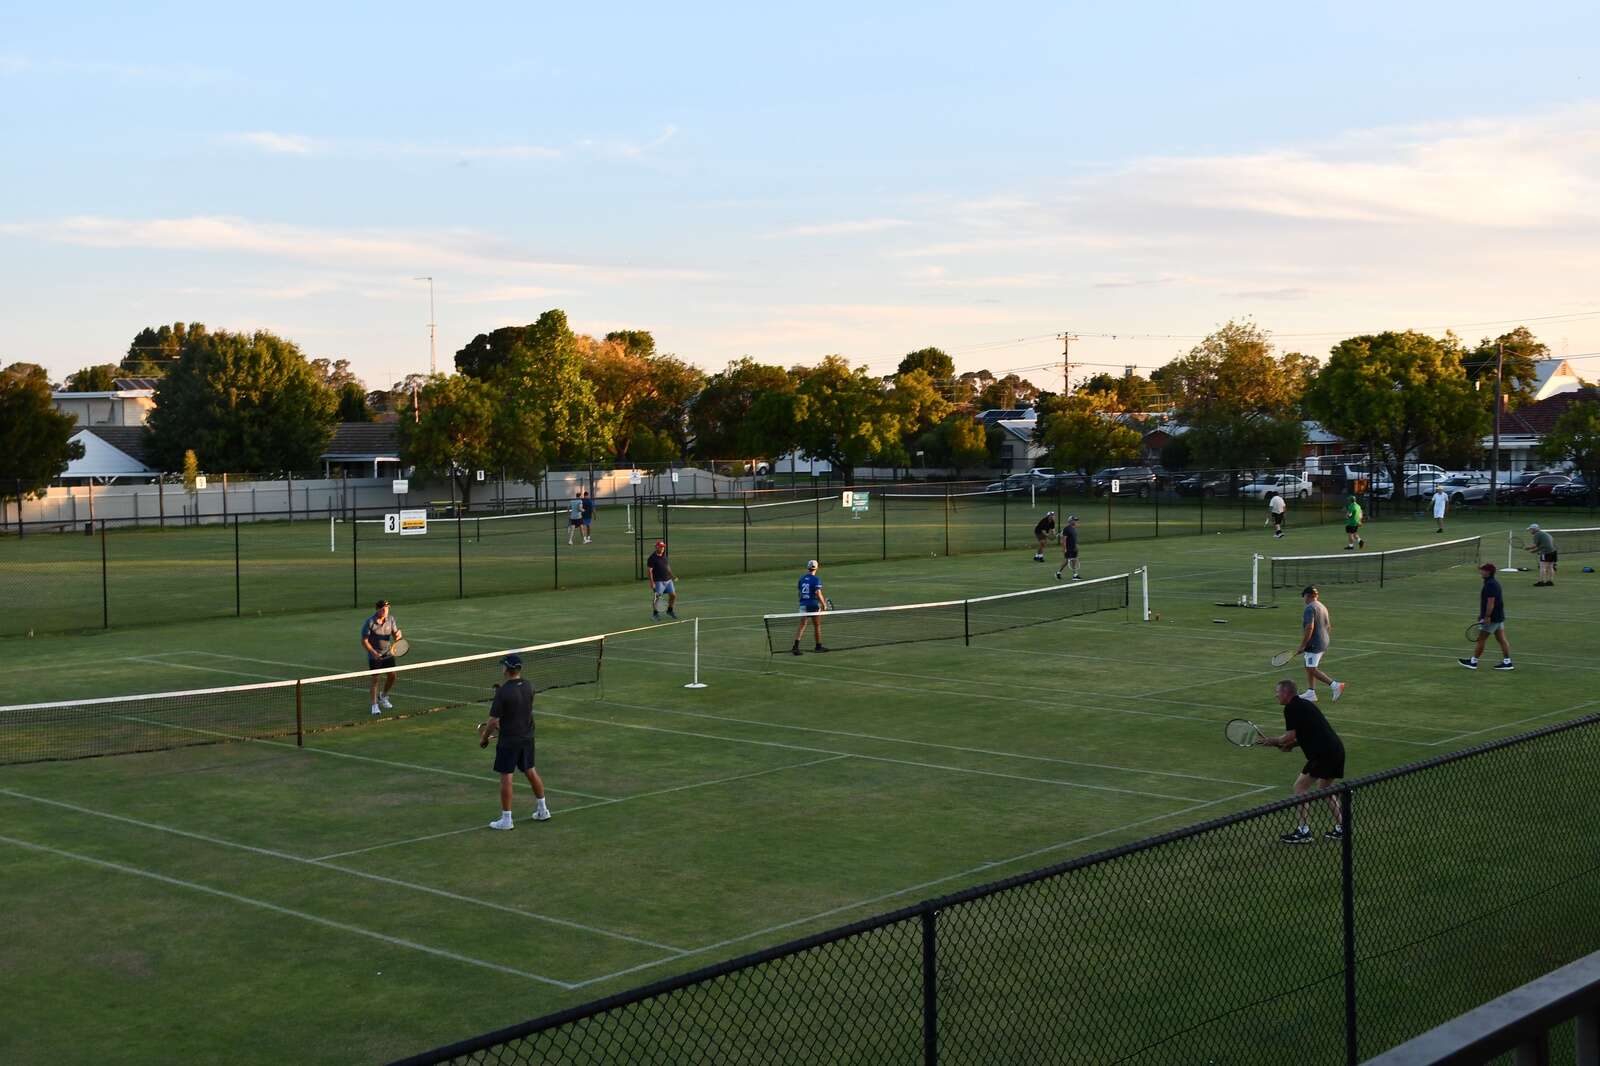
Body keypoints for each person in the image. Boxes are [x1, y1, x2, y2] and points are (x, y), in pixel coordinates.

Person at [1257, 679, 1346, 844]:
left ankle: (1303, 831)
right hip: (1336, 750)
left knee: (1300, 787)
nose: (1276, 695)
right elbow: (1307, 733)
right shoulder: (1304, 704)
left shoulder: (1291, 708)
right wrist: (1291, 746)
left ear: (1286, 693)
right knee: (1324, 789)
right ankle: (1343, 828)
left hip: (1323, 754)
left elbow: (1289, 736)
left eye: (1278, 692)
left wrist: (1273, 741)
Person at [477, 654, 550, 830]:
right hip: (527, 737)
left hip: (509, 740)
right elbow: (520, 711)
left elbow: (493, 721)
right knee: (531, 771)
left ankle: (506, 820)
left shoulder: (503, 692)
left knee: (506, 777)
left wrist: (484, 738)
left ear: (507, 669)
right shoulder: (529, 686)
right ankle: (543, 810)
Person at [1459, 562, 1514, 670]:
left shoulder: (1490, 584)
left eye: (1482, 570)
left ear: (1488, 572)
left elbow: (1491, 602)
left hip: (1492, 618)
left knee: (1481, 639)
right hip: (1499, 616)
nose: (1480, 572)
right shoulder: (1492, 583)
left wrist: (1487, 616)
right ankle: (1507, 662)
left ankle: (1473, 662)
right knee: (1502, 639)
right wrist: (1482, 615)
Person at [1295, 585, 1345, 703]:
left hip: (1314, 644)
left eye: (1305, 597)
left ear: (1308, 596)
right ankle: (1311, 692)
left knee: (1311, 669)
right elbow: (1328, 626)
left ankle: (1335, 685)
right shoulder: (1322, 606)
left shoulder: (1309, 608)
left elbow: (1309, 627)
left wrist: (1303, 645)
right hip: (1323, 641)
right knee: (1309, 666)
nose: (1304, 599)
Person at [361, 599, 402, 717]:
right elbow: (364, 641)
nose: (386, 610)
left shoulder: (391, 620)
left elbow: (395, 636)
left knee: (392, 675)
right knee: (375, 679)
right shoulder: (370, 622)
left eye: (387, 608)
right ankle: (374, 706)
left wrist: (398, 635)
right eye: (383, 608)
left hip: (388, 653)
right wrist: (373, 652)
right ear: (377, 609)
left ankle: (383, 696)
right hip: (374, 656)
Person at [790, 559, 829, 655]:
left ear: (808, 567)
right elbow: (818, 593)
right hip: (813, 605)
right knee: (817, 625)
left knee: (802, 625)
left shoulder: (802, 579)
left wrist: (802, 602)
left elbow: (799, 593)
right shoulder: (816, 579)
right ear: (817, 568)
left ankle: (795, 647)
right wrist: (824, 604)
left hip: (803, 604)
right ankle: (818, 646)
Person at [646, 539, 677, 620]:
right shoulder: (652, 558)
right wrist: (652, 582)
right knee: (657, 597)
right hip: (659, 581)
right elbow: (649, 571)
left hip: (668, 580)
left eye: (663, 547)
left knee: (673, 595)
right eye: (661, 547)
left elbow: (667, 567)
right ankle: (655, 614)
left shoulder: (664, 556)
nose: (662, 549)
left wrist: (672, 576)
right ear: (656, 547)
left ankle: (670, 610)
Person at [1054, 514, 1081, 581]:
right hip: (1069, 548)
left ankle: (1060, 573)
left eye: (1076, 520)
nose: (1076, 521)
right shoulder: (1067, 529)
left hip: (1074, 548)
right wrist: (1064, 548)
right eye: (1074, 520)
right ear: (1070, 521)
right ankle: (1073, 575)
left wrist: (1076, 545)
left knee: (1072, 560)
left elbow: (1074, 538)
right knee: (1068, 560)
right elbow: (1063, 539)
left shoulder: (1074, 528)